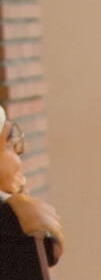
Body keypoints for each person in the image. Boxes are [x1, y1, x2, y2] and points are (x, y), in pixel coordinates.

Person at [0, 104, 65, 259]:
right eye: (8, 143)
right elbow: (50, 250)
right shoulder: (15, 224)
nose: (19, 153)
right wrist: (10, 213)